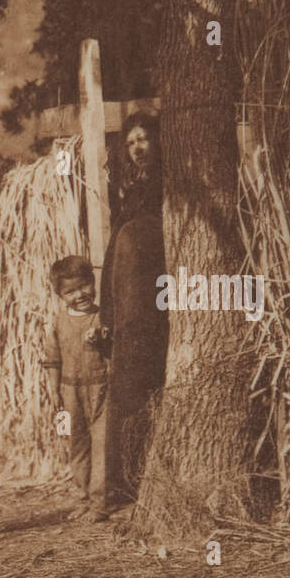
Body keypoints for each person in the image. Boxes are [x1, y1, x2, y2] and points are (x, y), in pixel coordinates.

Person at [99, 110, 168, 508]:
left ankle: (135, 478)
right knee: (127, 384)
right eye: (130, 143)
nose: (138, 148)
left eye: (143, 139)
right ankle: (122, 483)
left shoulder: (164, 187)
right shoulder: (132, 190)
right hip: (129, 298)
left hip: (151, 298)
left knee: (145, 380)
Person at [42, 255, 111, 522]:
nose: (79, 295)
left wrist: (103, 338)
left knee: (101, 445)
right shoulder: (59, 322)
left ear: (92, 283)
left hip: (100, 389)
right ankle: (82, 497)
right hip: (69, 392)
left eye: (84, 286)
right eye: (69, 291)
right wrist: (54, 389)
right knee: (76, 444)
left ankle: (99, 504)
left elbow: (114, 351)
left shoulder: (102, 316)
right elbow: (52, 358)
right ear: (60, 294)